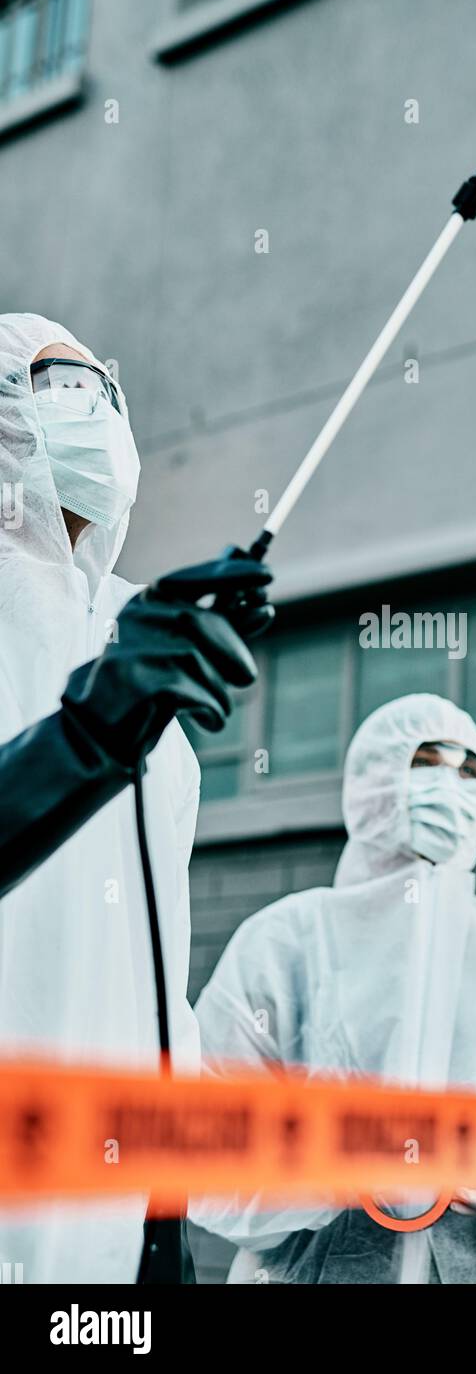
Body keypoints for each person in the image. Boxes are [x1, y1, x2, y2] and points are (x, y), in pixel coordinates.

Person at [192, 693, 476, 1284]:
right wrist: (329, 1168)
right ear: (372, 781)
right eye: (427, 763)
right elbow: (203, 1134)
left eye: (469, 772)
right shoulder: (286, 939)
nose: (449, 786)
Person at [0, 313, 272, 1283]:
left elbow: (148, 962)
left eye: (106, 394)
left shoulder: (124, 627)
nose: (98, 413)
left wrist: (169, 1206)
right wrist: (90, 727)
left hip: (127, 1219)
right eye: (61, 386)